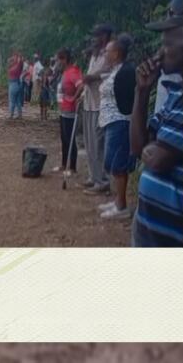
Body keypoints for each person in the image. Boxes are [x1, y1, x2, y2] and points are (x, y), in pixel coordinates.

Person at [131, 0, 183, 247]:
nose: (160, 52)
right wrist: (141, 92)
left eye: (167, 43)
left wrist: (153, 148)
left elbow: (159, 160)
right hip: (150, 233)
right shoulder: (175, 95)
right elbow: (138, 147)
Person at [96, 34, 136, 221]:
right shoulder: (115, 69)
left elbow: (129, 98)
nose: (104, 54)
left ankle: (121, 206)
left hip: (120, 121)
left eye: (108, 51)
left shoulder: (126, 71)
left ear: (117, 53)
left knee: (118, 164)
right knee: (112, 163)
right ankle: (117, 201)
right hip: (111, 122)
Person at [81, 24, 113, 197]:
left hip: (100, 104)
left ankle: (103, 181)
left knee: (98, 144)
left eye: (98, 35)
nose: (95, 38)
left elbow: (111, 73)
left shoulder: (110, 53)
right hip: (89, 102)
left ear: (106, 35)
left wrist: (93, 77)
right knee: (90, 142)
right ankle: (94, 176)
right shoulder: (94, 54)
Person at [55, 48, 83, 176]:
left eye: (59, 59)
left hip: (70, 111)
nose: (57, 62)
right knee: (64, 138)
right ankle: (64, 164)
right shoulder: (64, 72)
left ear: (64, 59)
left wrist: (74, 98)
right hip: (63, 110)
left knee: (70, 138)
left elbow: (81, 85)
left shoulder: (73, 72)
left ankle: (72, 167)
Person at [7, 50, 24, 119]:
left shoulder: (18, 65)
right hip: (17, 83)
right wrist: (14, 59)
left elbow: (20, 61)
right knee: (17, 101)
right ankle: (19, 114)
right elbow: (8, 61)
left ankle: (11, 115)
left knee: (12, 100)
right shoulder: (15, 65)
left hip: (13, 83)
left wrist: (18, 57)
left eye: (14, 56)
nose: (13, 57)